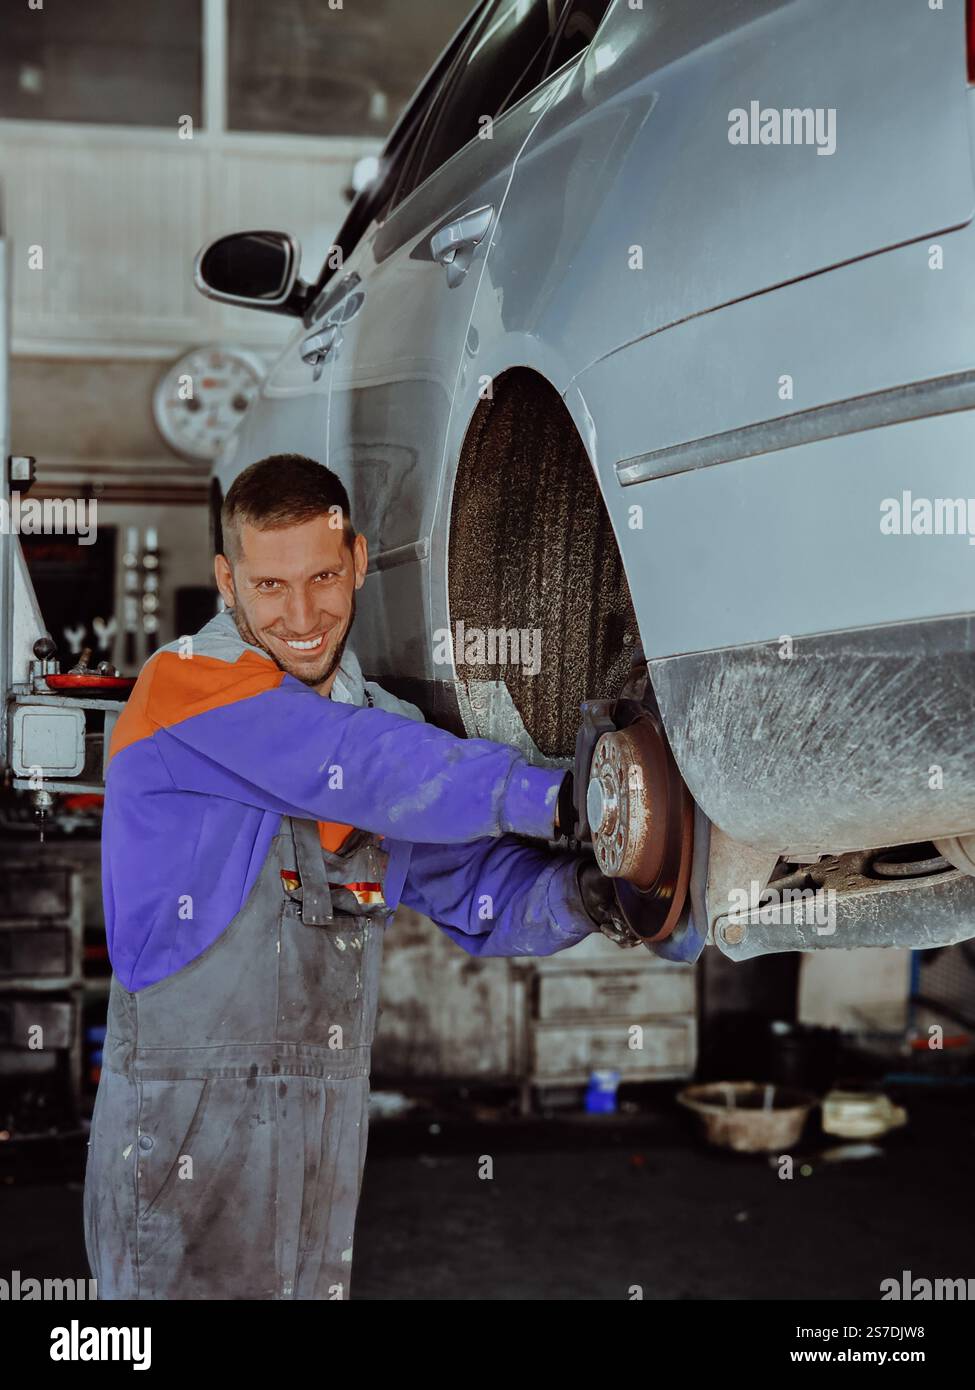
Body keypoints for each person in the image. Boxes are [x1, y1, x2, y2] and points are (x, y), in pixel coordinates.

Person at [84, 453, 622, 1300]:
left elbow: (472, 890)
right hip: (191, 1116)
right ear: (227, 581)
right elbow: (349, 764)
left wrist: (597, 890)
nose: (302, 614)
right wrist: (565, 801)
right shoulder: (182, 688)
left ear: (360, 561)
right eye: (269, 586)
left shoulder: (387, 731)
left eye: (325, 576)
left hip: (323, 1119)